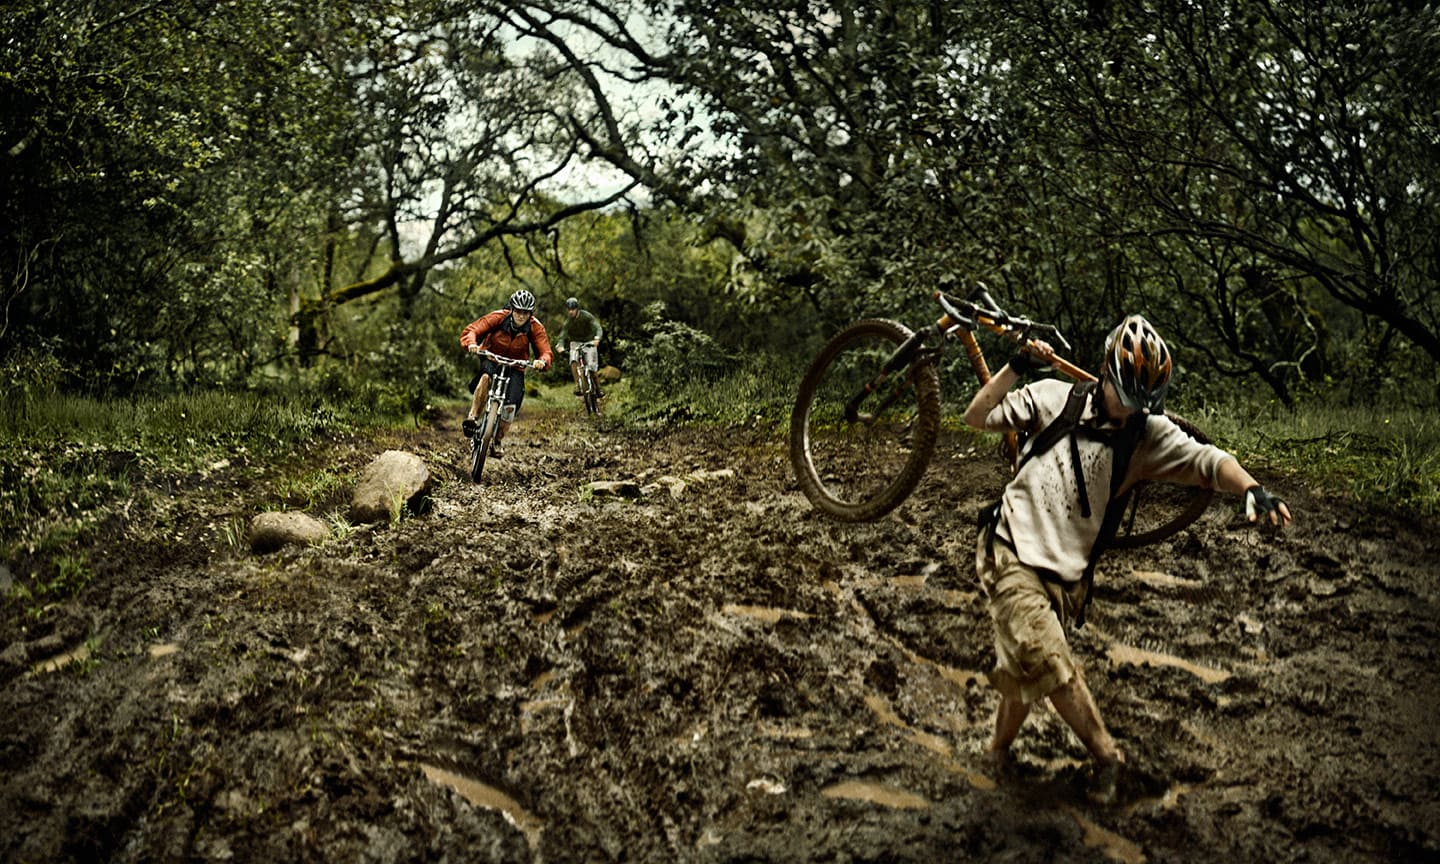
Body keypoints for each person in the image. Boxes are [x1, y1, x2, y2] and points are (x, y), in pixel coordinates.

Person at [962, 314, 1292, 804]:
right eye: (1125, 397)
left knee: (1025, 662)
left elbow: (1207, 460)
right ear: (1105, 373)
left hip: (1067, 575)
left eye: (1142, 404)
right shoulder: (1054, 396)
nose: (1130, 411)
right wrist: (1015, 367)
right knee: (1047, 658)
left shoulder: (1145, 436)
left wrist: (1251, 487)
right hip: (1010, 547)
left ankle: (997, 751)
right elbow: (977, 416)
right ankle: (1107, 756)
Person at [459, 289, 553, 458]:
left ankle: (497, 440)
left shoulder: (535, 327)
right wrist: (472, 343)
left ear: (530, 313)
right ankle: (473, 418)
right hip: (491, 356)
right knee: (486, 377)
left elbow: (545, 350)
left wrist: (543, 361)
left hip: (516, 365)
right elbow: (472, 330)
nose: (521, 316)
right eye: (518, 311)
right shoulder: (498, 317)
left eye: (525, 313)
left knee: (511, 405)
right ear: (511, 309)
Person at [557, 297, 604, 399]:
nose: (571, 312)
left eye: (573, 309)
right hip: (576, 342)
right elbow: (562, 335)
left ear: (577, 309)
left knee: (592, 367)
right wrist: (560, 345)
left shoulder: (586, 316)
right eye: (569, 310)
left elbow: (597, 327)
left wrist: (597, 338)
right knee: (573, 359)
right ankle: (578, 385)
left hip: (589, 341)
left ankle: (598, 388)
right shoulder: (568, 322)